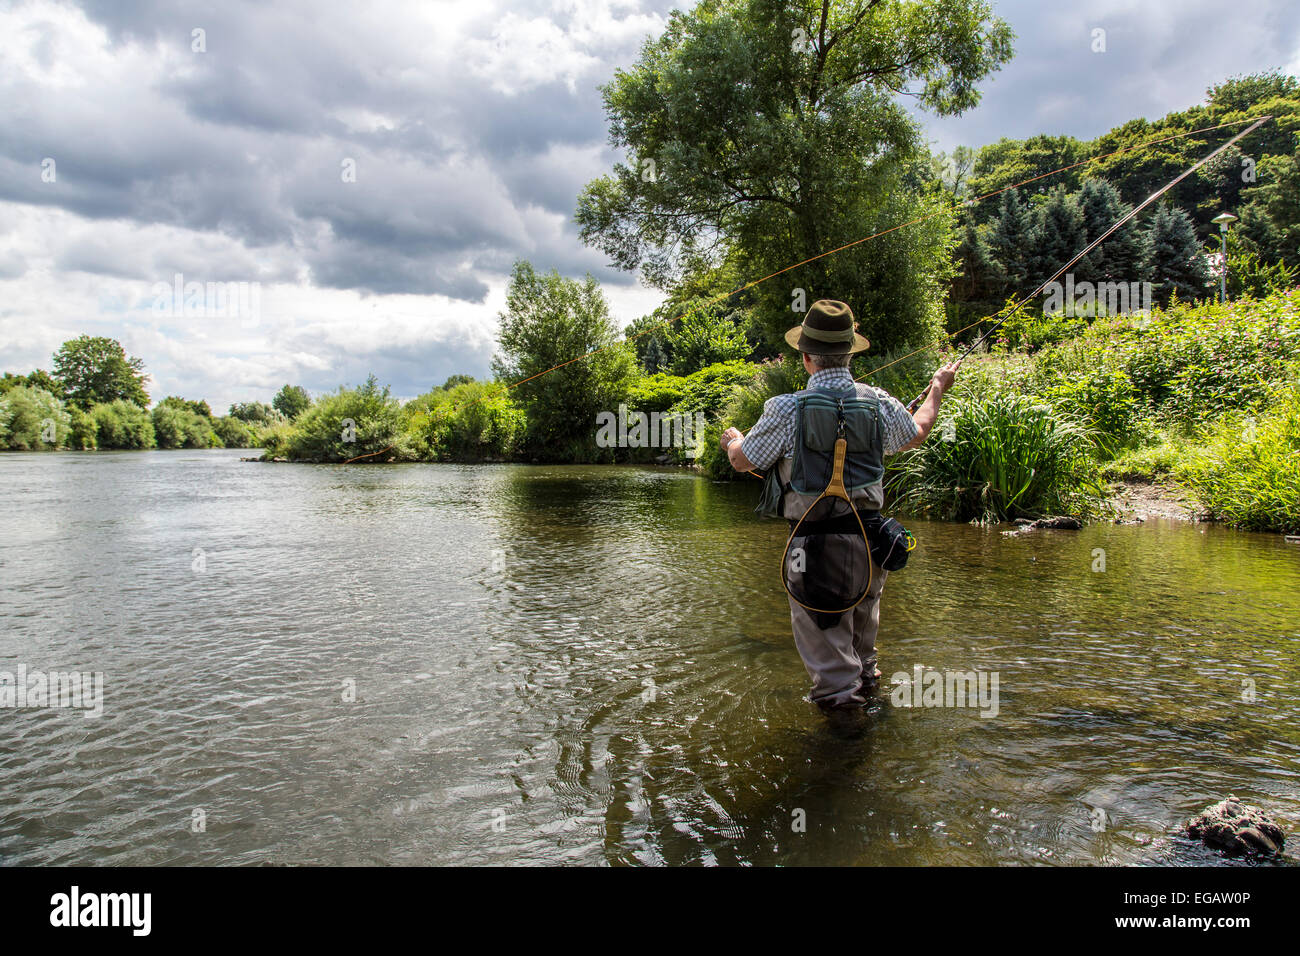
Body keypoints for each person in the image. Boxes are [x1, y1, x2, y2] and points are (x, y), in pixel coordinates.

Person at [719, 299, 959, 715]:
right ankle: (872, 729)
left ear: (807, 357)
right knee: (864, 658)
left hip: (813, 551)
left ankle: (842, 760)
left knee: (834, 676)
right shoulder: (881, 402)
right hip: (872, 546)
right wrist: (937, 387)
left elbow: (743, 461)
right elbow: (918, 430)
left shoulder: (785, 408)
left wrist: (732, 440)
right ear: (850, 353)